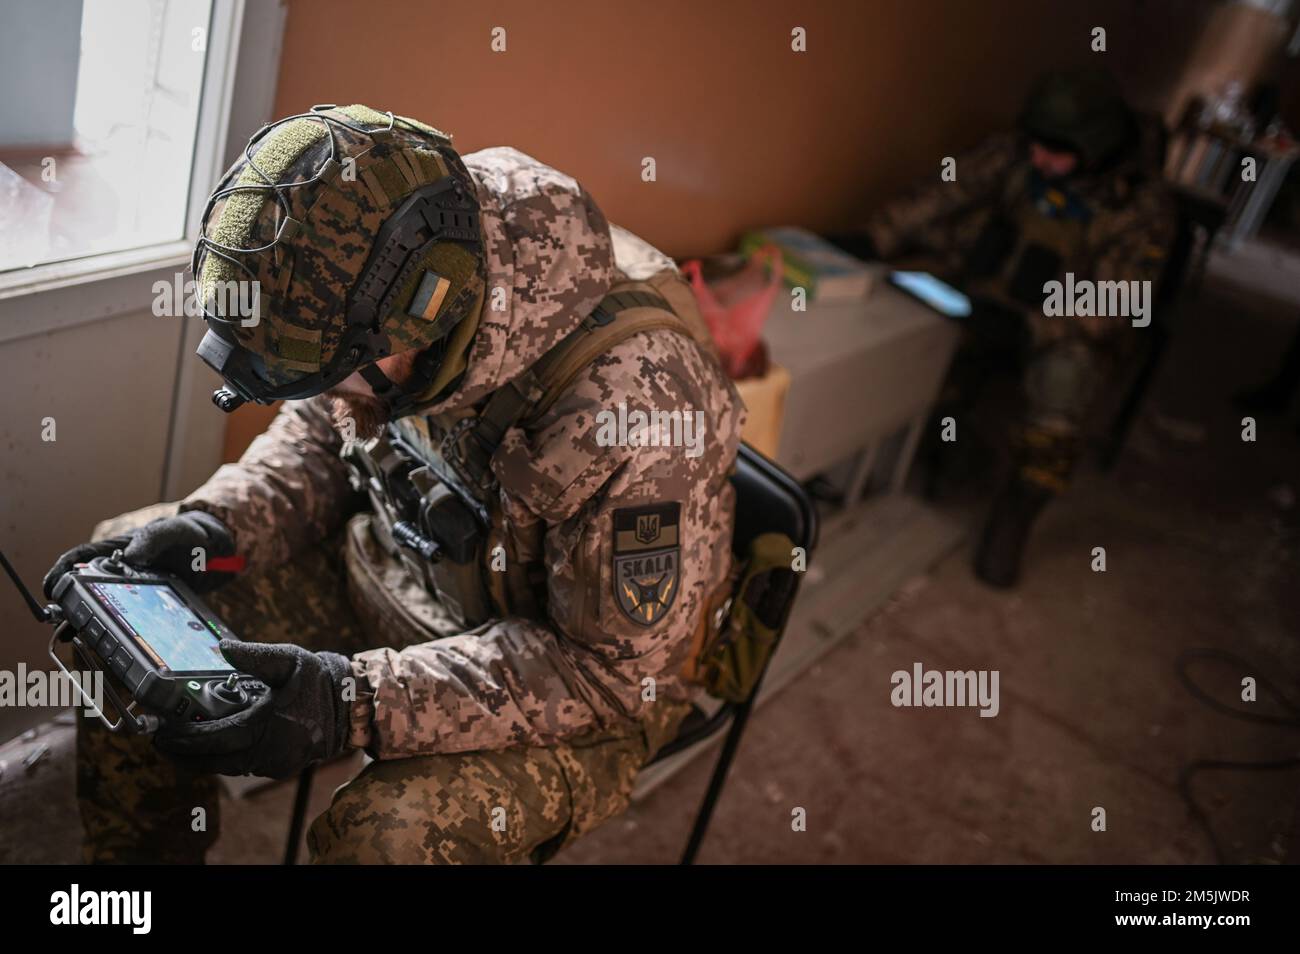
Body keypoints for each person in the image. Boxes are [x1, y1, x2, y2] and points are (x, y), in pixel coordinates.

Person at [46, 104, 743, 863]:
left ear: (421, 320)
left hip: (578, 687)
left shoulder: (638, 412)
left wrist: (350, 702)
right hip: (391, 574)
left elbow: (604, 674)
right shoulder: (377, 249)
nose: (322, 392)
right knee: (123, 604)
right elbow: (323, 434)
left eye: (324, 374)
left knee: (387, 840)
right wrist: (218, 526)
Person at [848, 70, 1177, 587]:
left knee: (1065, 383)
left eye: (1056, 152)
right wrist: (877, 238)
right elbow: (944, 192)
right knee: (891, 298)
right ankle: (921, 438)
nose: (1039, 159)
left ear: (1094, 148)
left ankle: (1018, 510)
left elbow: (1117, 303)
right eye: (1036, 144)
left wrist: (1035, 328)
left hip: (1067, 323)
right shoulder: (1018, 154)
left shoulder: (1142, 209)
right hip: (988, 286)